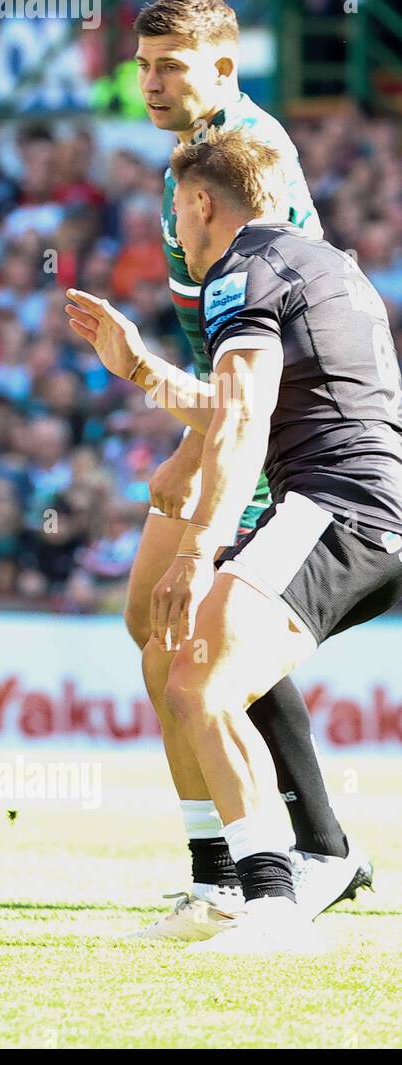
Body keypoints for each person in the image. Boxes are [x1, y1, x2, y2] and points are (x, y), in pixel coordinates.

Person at [66, 129, 402, 952]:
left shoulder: (237, 273)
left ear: (200, 204)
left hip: (336, 509)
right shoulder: (317, 263)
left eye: (173, 210)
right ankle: (219, 885)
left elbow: (244, 420)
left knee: (199, 682)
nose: (170, 227)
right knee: (172, 659)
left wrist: (197, 548)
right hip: (354, 510)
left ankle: (273, 904)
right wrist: (142, 369)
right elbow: (235, 406)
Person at [118, 0, 367, 940]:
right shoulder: (193, 154)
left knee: (188, 636)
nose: (153, 81)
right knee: (160, 623)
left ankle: (267, 862)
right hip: (228, 409)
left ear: (226, 70)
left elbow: (277, 305)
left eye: (174, 66)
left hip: (268, 425)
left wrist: (203, 441)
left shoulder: (250, 153)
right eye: (145, 65)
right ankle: (275, 851)